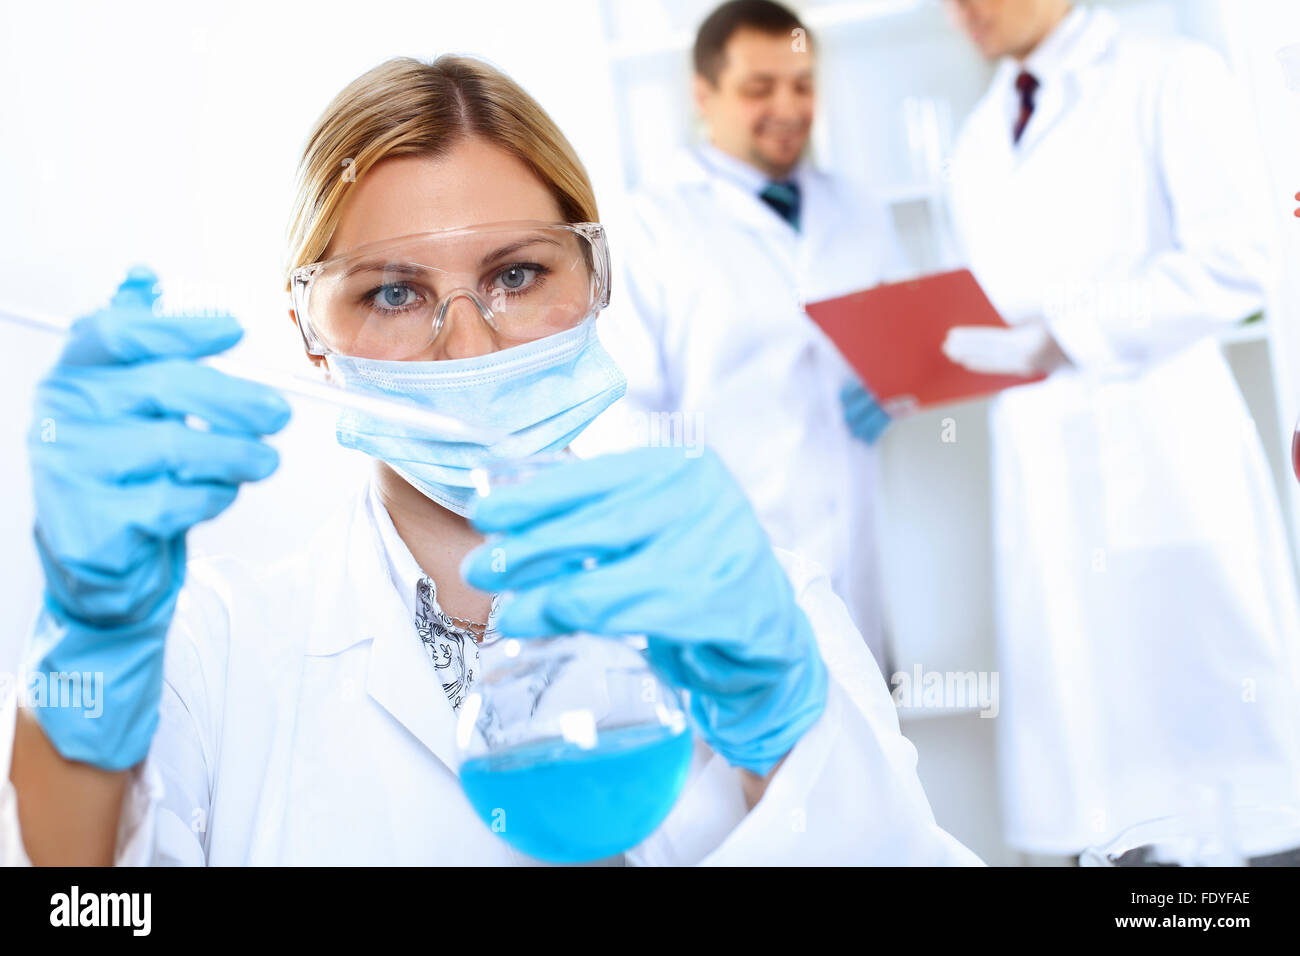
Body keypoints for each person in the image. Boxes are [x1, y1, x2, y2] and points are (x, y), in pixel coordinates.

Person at [0, 55, 980, 866]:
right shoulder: (210, 646)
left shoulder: (766, 610)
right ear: (311, 331)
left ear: (594, 281)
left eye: (515, 274)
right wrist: (85, 647)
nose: (467, 347)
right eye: (392, 293)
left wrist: (784, 734)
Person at [942, 0, 1300, 859]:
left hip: (1162, 452)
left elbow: (1238, 258)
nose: (965, 10)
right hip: (1041, 465)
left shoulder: (1169, 75)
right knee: (1100, 762)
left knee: (1218, 754)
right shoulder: (980, 135)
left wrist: (1069, 336)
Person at [576, 0, 904, 667]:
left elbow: (901, 346)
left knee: (871, 751)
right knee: (759, 755)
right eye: (759, 89)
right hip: (727, 569)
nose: (787, 107)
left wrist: (898, 388)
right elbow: (623, 412)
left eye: (802, 85)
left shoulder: (859, 209)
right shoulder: (650, 225)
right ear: (704, 94)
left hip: (856, 558)